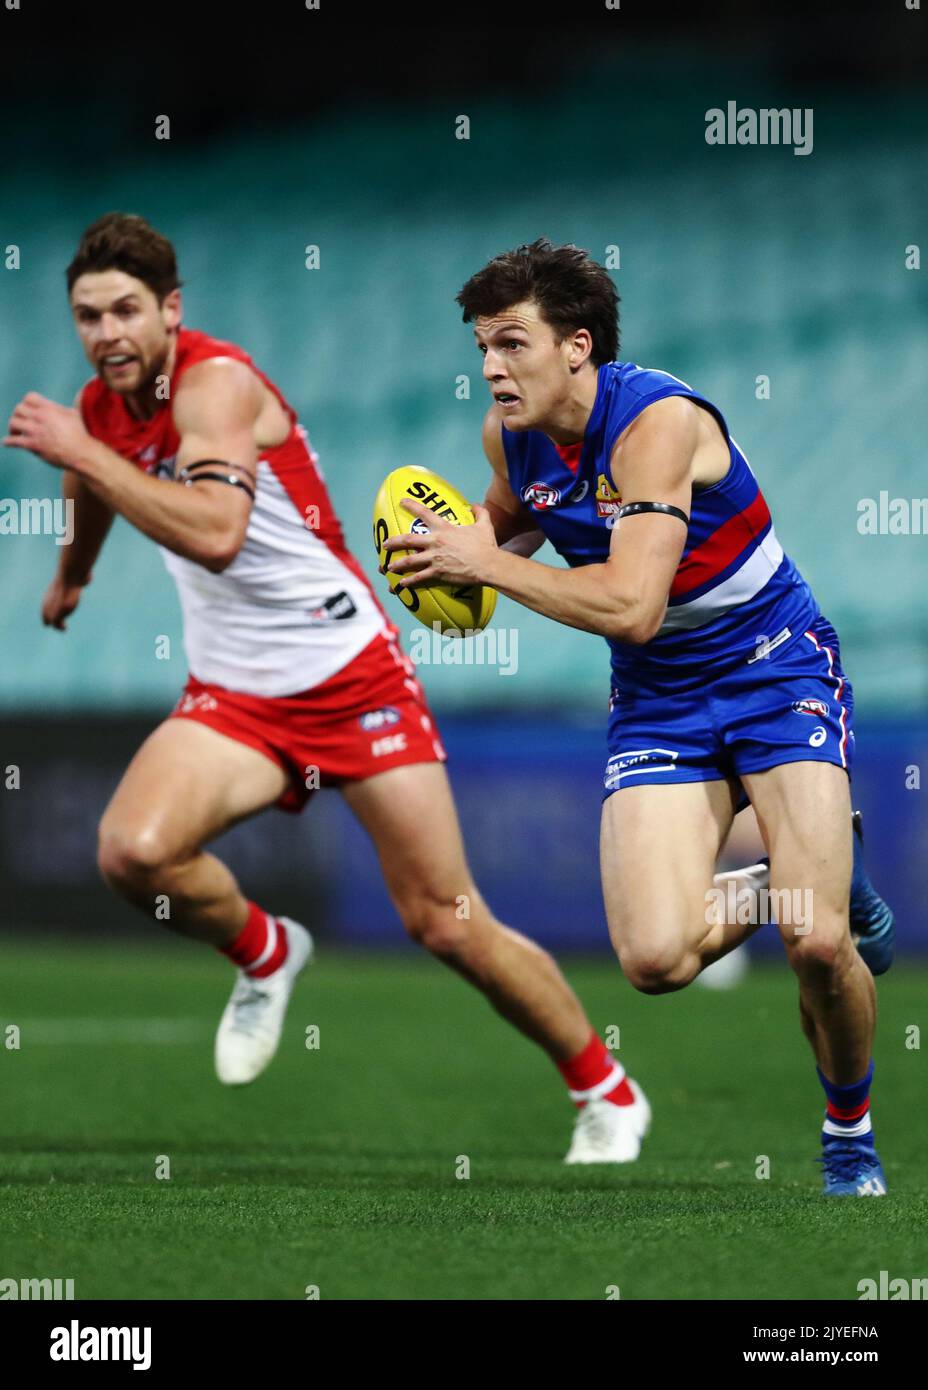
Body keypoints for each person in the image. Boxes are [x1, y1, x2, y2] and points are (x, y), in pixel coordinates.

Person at [5, 214, 667, 1165]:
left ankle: (604, 1087)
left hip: (347, 671)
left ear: (171, 311)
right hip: (235, 689)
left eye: (124, 310)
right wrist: (75, 572)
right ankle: (266, 952)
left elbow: (217, 532)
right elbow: (96, 485)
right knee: (130, 854)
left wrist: (79, 451)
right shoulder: (102, 411)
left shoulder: (214, 385)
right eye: (86, 315)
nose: (106, 332)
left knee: (445, 920)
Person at [382, 237, 895, 1196]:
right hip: (659, 692)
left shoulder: (655, 423)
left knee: (820, 944)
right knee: (656, 959)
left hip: (774, 666)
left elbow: (631, 605)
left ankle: (849, 1135)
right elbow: (507, 526)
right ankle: (812, 862)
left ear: (578, 347)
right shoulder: (512, 437)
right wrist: (442, 563)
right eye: (482, 348)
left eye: (510, 344)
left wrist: (486, 567)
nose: (490, 368)